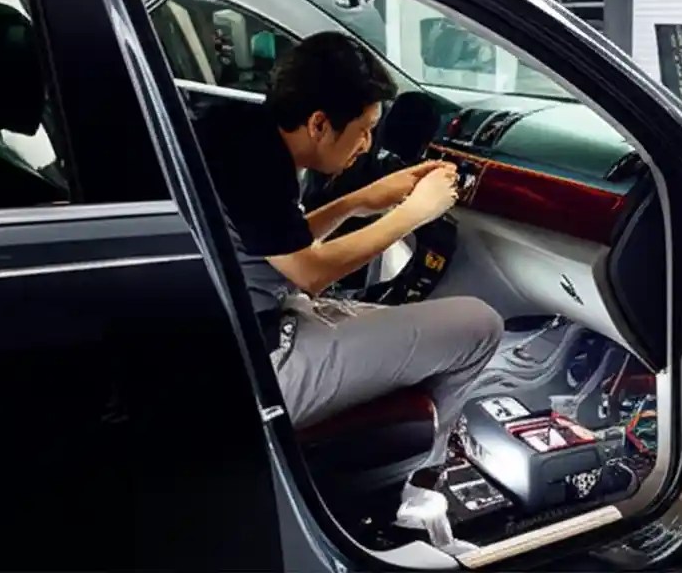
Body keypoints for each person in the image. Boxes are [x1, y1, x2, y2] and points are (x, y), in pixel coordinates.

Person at [190, 31, 503, 545]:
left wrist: (362, 201)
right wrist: (413, 214)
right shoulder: (258, 162)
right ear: (318, 123)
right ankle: (409, 491)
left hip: (245, 333)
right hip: (262, 363)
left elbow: (279, 245)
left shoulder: (238, 132)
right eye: (363, 130)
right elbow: (310, 271)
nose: (367, 145)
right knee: (480, 326)